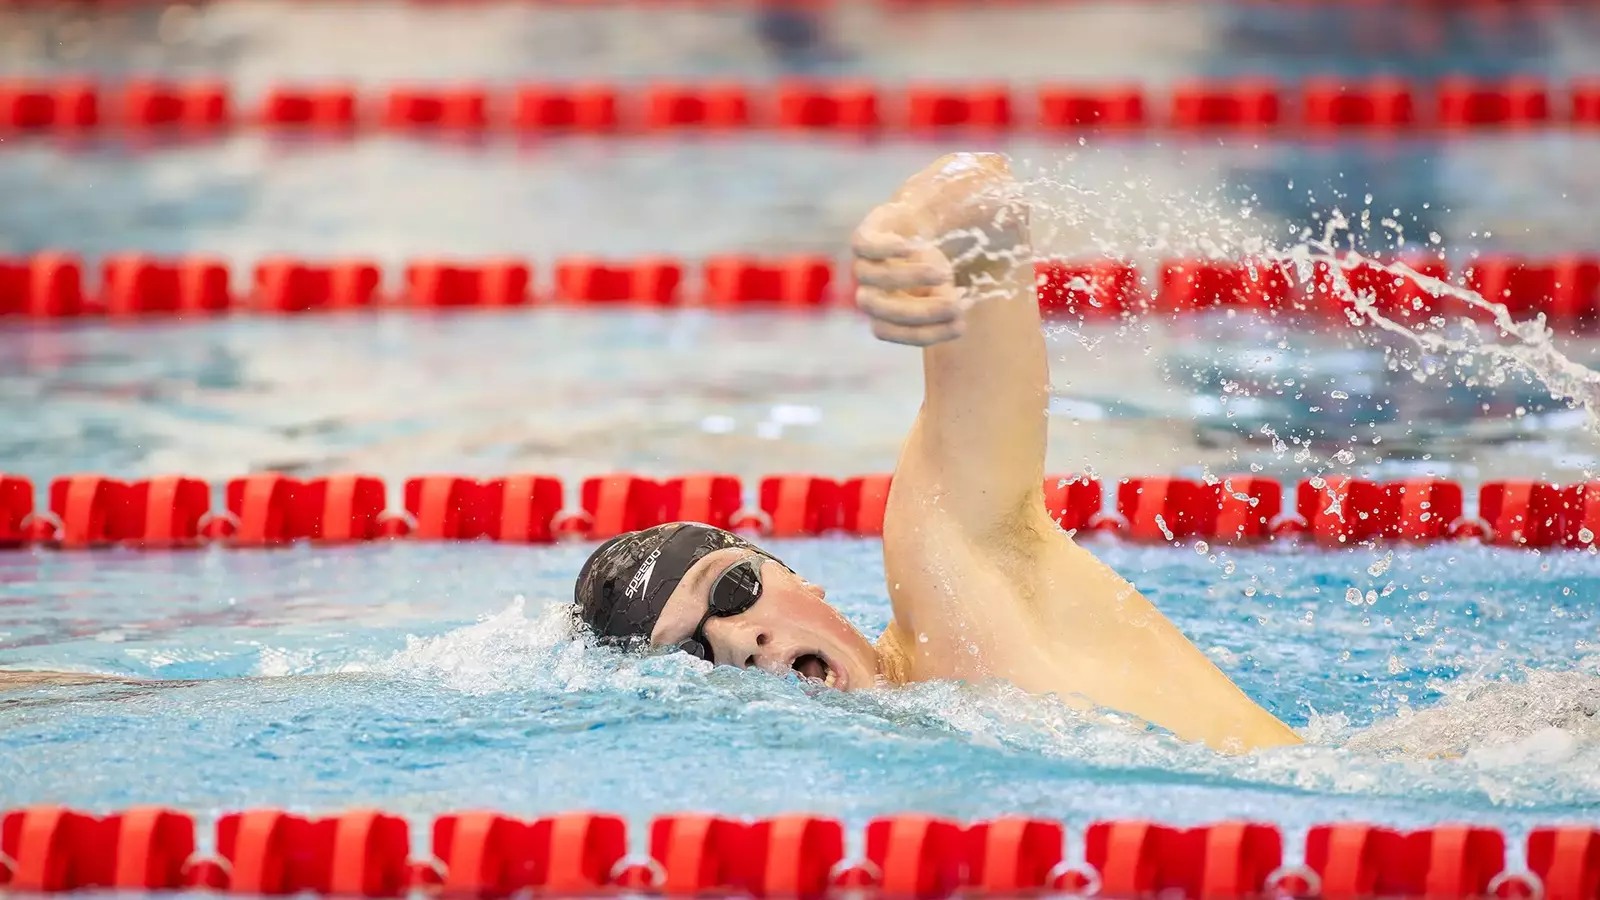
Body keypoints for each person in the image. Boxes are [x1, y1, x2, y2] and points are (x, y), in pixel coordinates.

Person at [575, 152, 1303, 753]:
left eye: (732, 589)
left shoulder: (953, 572)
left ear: (799, 580)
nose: (741, 639)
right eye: (692, 657)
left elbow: (990, 205)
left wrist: (914, 225)